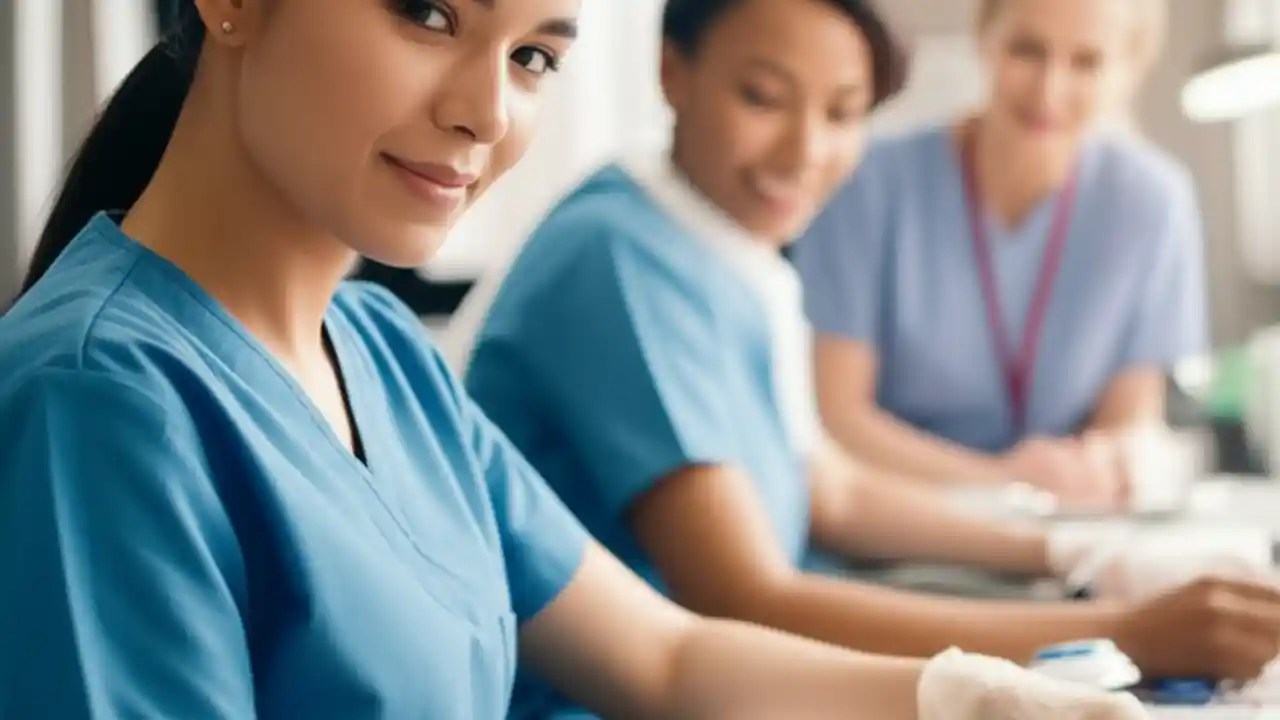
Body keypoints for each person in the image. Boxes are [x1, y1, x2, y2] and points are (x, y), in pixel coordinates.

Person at [0, 0, 1155, 718]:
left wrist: (971, 701)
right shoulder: (103, 403)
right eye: (427, 13)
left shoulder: (380, 353)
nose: (485, 113)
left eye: (535, 58)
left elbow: (664, 661)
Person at [465, 0, 1280, 716]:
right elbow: (743, 594)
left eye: (844, 112)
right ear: (672, 71)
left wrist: (1077, 550)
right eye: (763, 97)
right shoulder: (620, 259)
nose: (803, 152)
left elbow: (833, 491)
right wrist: (1126, 631)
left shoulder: (727, 252)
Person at [793, 0, 1205, 502]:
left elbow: (1125, 425)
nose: (1049, 90)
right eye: (1027, 50)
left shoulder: (1152, 204)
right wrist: (1002, 480)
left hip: (1067, 530)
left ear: (1131, 69)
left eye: (1087, 62)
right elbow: (835, 417)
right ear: (984, 37)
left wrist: (1105, 470)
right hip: (890, 518)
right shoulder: (867, 182)